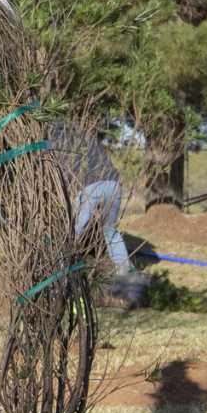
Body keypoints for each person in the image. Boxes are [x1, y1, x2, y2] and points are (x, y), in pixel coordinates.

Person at [48, 121, 144, 305]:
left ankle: (61, 268)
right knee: (110, 231)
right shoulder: (86, 141)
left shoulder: (59, 146)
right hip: (114, 185)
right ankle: (124, 270)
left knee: (75, 230)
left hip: (90, 186)